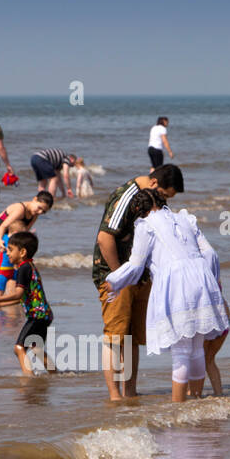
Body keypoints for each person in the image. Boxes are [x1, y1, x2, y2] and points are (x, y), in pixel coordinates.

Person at [103, 190, 229, 402]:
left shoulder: (146, 225)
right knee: (197, 347)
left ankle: (178, 408)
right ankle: (196, 399)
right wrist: (211, 280)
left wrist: (114, 281)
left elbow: (135, 265)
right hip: (202, 277)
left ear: (138, 210)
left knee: (181, 350)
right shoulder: (184, 218)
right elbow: (210, 254)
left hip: (176, 283)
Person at [92, 164, 184, 400]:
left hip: (140, 275)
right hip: (115, 276)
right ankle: (114, 396)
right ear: (154, 183)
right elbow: (104, 239)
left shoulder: (153, 198)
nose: (164, 202)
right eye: (164, 195)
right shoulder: (126, 196)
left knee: (132, 336)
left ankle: (130, 392)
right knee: (115, 336)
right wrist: (120, 276)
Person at [0, 232, 55, 375]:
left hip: (37, 316)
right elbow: (20, 297)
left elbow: (18, 294)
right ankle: (56, 374)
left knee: (19, 348)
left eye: (11, 249)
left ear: (22, 252)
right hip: (44, 314)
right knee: (36, 348)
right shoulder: (29, 266)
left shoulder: (24, 268)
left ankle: (29, 379)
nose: (7, 253)